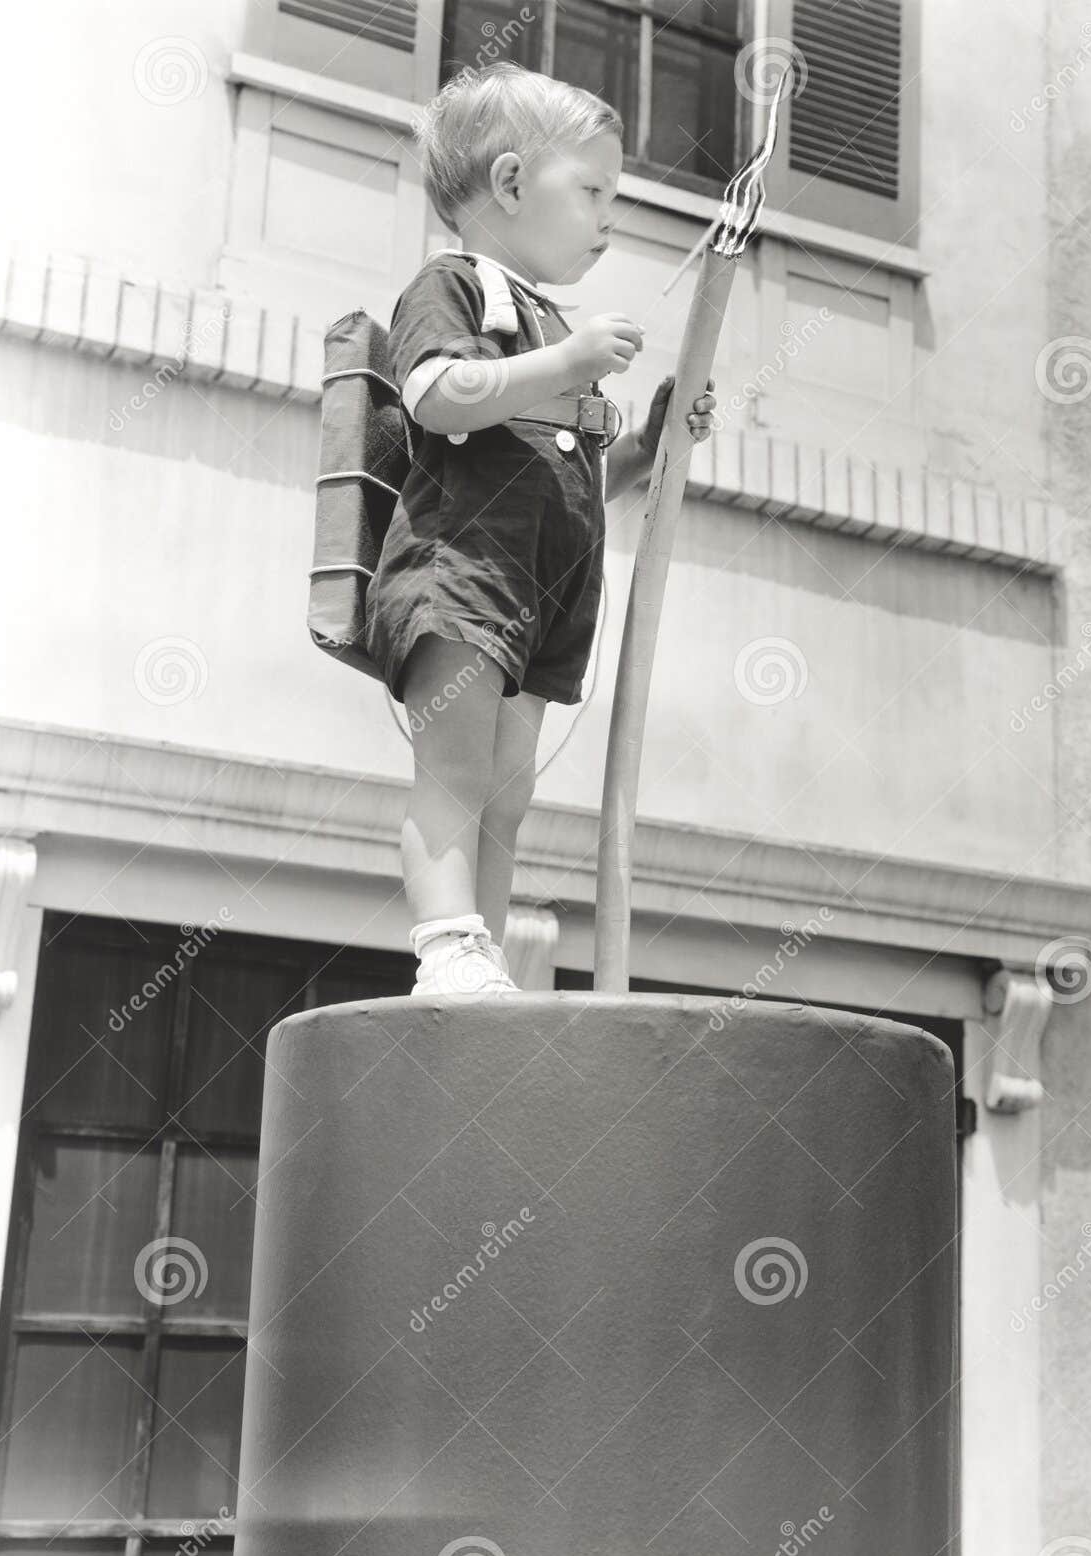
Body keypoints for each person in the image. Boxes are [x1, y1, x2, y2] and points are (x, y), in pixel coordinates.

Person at [366, 61, 716, 996]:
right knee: (455, 768)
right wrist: (566, 359)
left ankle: (480, 951)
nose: (611, 216)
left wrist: (651, 441)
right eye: (594, 190)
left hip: (538, 595)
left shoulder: (547, 323)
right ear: (513, 183)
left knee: (508, 789)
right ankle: (446, 946)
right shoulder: (457, 288)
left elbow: (580, 475)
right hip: (464, 576)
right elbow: (439, 397)